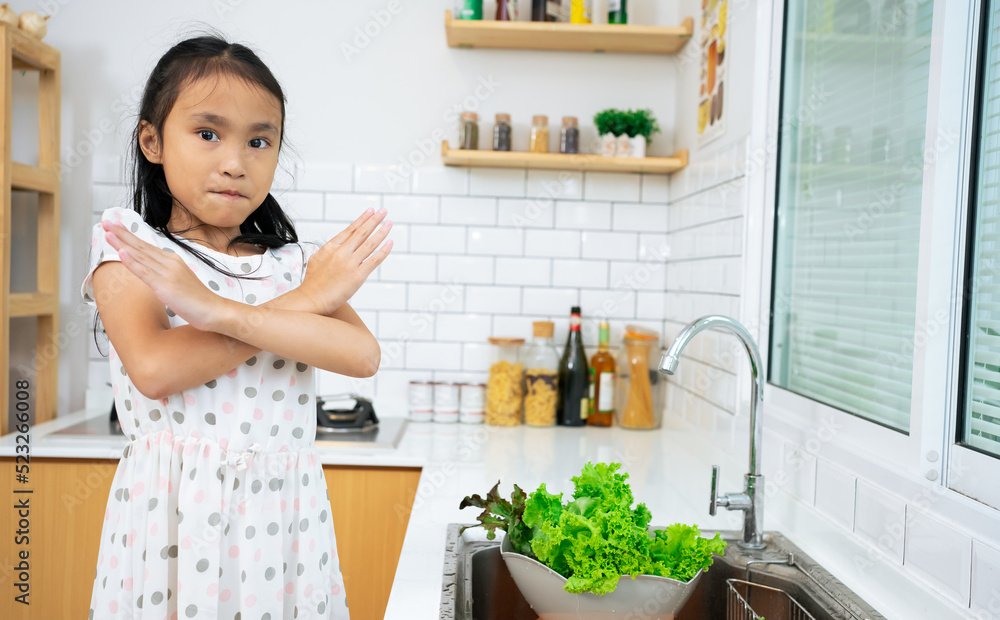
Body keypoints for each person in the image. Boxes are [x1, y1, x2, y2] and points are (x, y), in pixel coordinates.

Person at [80, 33, 391, 619]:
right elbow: (155, 368)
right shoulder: (131, 242)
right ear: (152, 141)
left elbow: (361, 355)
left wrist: (221, 311)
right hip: (174, 518)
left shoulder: (290, 265)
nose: (235, 162)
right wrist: (304, 302)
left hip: (283, 521)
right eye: (207, 133)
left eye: (258, 141)